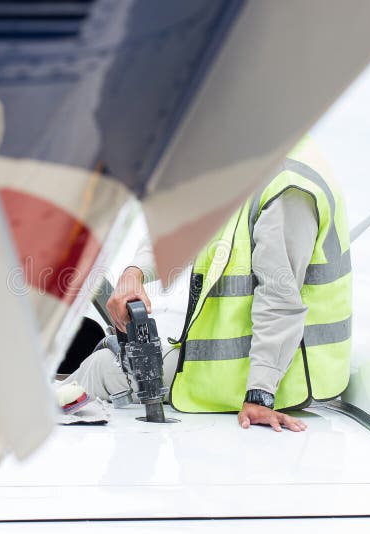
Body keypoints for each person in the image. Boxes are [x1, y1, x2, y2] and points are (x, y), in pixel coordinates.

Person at [65, 136, 352, 432]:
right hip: (229, 366)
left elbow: (280, 302)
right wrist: (133, 274)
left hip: (267, 378)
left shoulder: (286, 187)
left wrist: (261, 397)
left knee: (101, 369)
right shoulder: (244, 159)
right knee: (103, 359)